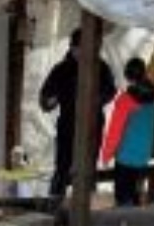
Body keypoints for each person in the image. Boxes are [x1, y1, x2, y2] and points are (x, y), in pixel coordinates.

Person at [39, 28, 117, 200]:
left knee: (88, 170)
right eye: (79, 48)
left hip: (92, 126)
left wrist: (96, 99)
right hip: (68, 125)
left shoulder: (101, 67)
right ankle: (57, 208)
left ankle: (87, 209)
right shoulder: (61, 69)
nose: (83, 53)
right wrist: (48, 101)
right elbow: (46, 96)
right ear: (73, 48)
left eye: (87, 48)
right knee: (63, 167)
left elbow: (111, 91)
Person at [100, 58, 154, 207]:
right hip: (143, 157)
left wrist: (106, 155)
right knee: (135, 196)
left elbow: (115, 130)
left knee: (123, 198)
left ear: (127, 76)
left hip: (125, 157)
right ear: (144, 73)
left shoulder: (125, 100)